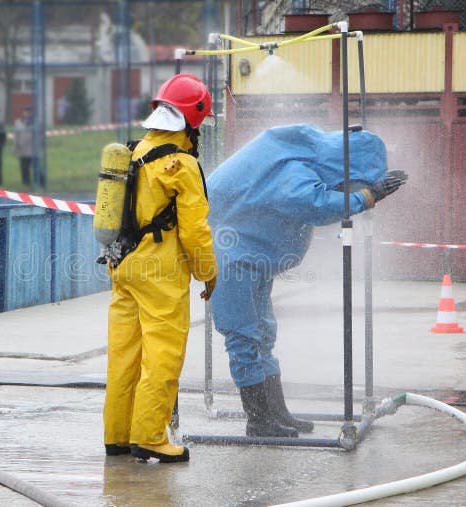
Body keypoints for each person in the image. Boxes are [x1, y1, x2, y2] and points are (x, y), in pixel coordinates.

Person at [207, 124, 405, 438]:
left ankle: (276, 412)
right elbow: (314, 204)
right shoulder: (295, 170)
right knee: (243, 337)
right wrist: (365, 197)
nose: (346, 189)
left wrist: (365, 191)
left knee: (262, 334)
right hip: (231, 258)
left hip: (249, 257)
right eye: (350, 183)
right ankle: (258, 420)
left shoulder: (304, 155)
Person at [103, 74, 217, 463]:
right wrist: (207, 273)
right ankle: (150, 436)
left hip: (122, 266)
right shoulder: (180, 164)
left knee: (124, 356)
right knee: (162, 356)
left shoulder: (133, 152)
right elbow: (195, 230)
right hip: (160, 274)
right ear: (192, 122)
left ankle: (118, 436)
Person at [13, 106, 43, 188]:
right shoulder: (18, 122)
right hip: (23, 149)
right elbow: (16, 136)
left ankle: (39, 182)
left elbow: (40, 134)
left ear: (32, 113)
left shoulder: (37, 122)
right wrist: (16, 147)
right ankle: (26, 183)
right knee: (24, 168)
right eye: (26, 112)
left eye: (29, 112)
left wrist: (38, 143)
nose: (27, 114)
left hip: (33, 149)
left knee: (36, 167)